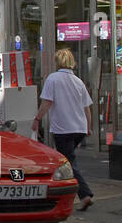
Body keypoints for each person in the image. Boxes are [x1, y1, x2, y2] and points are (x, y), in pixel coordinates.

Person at [33, 48, 95, 210]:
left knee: (69, 163)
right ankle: (63, 193)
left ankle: (85, 194)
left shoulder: (53, 79)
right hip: (79, 129)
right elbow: (87, 108)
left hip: (63, 129)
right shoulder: (78, 81)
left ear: (57, 62)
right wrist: (88, 127)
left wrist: (37, 119)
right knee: (66, 161)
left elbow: (47, 102)